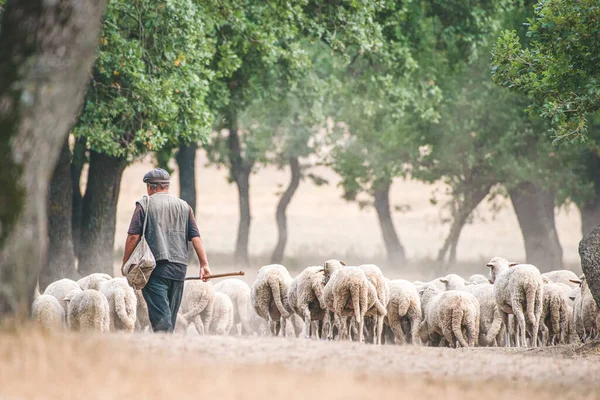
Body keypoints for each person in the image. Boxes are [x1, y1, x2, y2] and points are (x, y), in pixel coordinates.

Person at [122, 168, 211, 332]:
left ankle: (164, 349)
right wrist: (204, 264)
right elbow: (196, 237)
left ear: (150, 187)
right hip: (179, 269)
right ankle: (167, 349)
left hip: (154, 269)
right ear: (167, 186)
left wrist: (126, 263)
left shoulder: (144, 205)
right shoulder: (184, 206)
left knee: (162, 320)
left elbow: (133, 237)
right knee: (169, 314)